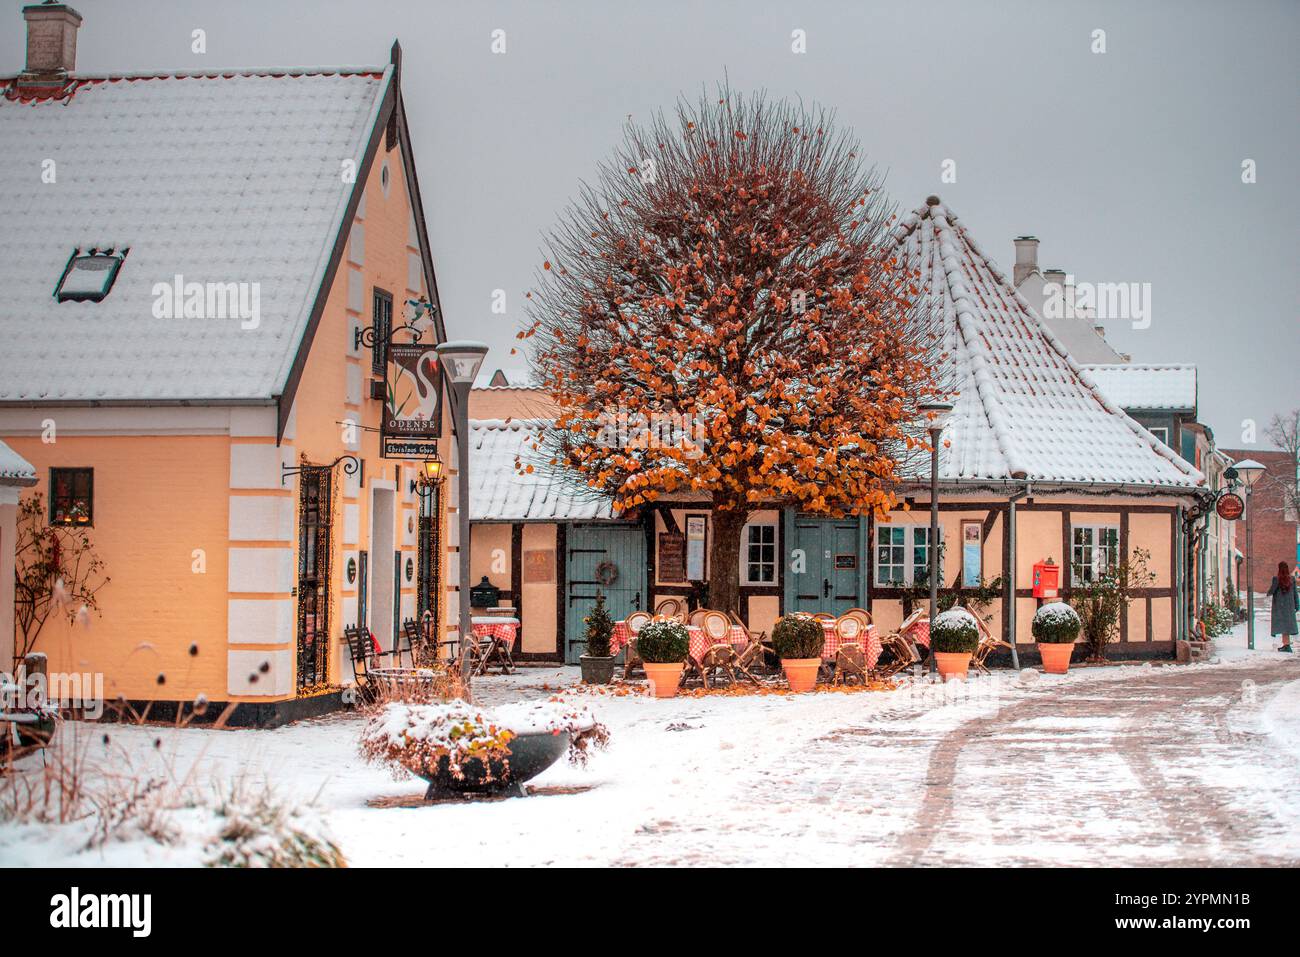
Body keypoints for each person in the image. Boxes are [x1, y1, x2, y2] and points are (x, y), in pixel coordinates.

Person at [1266, 562, 1299, 652]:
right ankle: (1286, 644)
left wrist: (1268, 592)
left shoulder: (1276, 579)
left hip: (1279, 607)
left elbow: (1272, 590)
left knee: (1282, 625)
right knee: (1287, 626)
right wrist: (1297, 605)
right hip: (1289, 606)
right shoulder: (1292, 579)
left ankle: (1286, 645)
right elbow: (1295, 594)